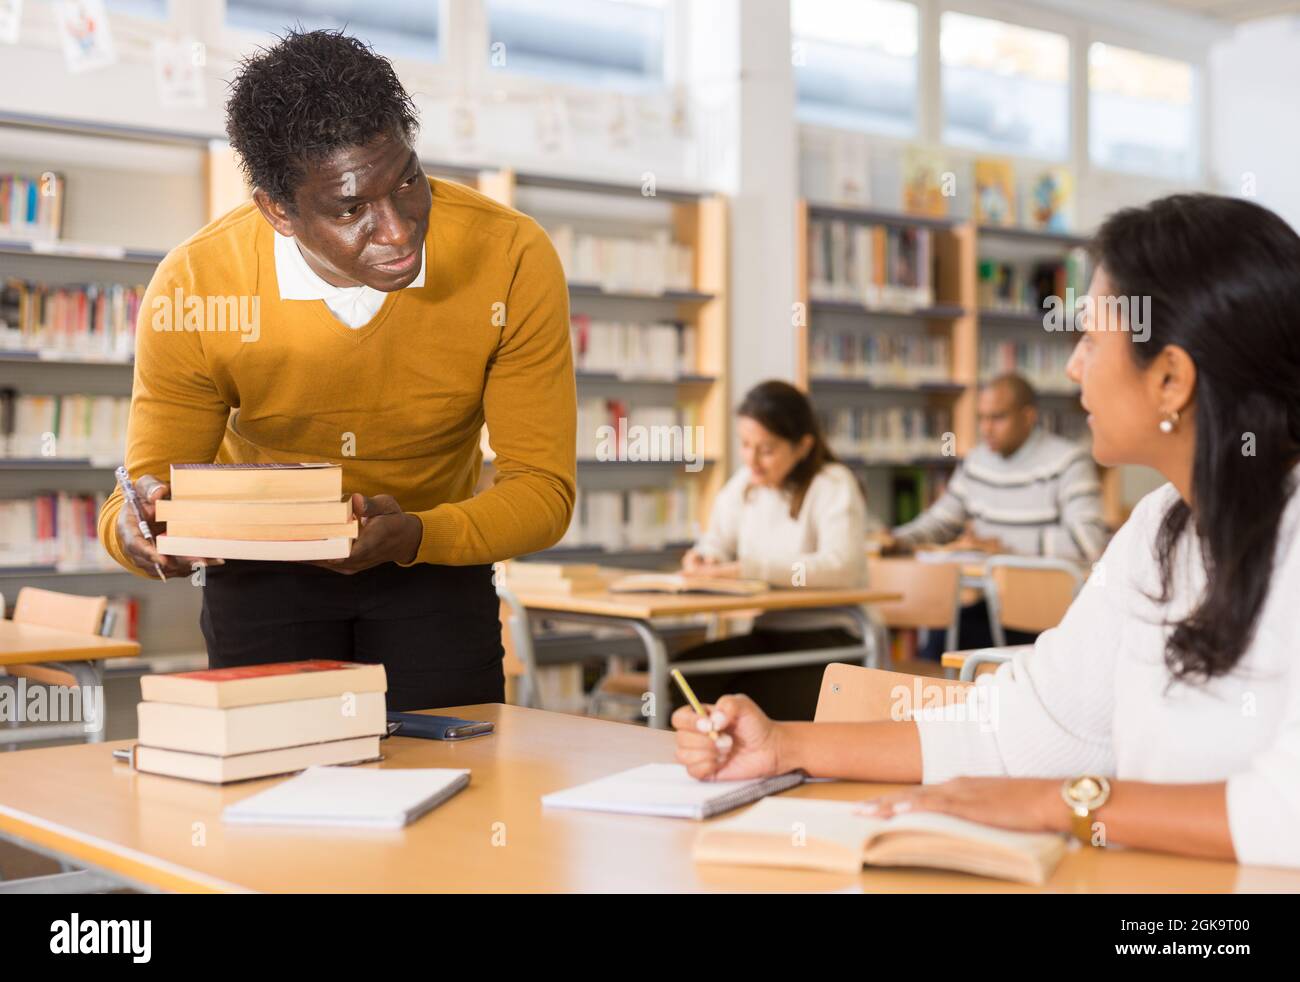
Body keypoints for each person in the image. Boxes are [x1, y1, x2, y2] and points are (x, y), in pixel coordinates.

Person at [672, 194, 1300, 870]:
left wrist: (1055, 804)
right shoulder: (1159, 530)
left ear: (1171, 378)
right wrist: (786, 746)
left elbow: (1284, 814)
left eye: (1090, 339)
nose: (1072, 366)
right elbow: (1023, 727)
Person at [97, 31, 576, 711]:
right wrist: (139, 532)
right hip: (262, 582)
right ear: (278, 210)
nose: (399, 229)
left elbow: (544, 494)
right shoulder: (198, 283)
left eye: (407, 180)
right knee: (272, 798)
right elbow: (136, 501)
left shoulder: (512, 256)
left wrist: (414, 534)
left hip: (433, 566)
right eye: (351, 208)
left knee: (457, 789)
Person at [672, 380, 868, 720]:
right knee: (683, 675)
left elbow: (842, 567)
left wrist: (748, 569)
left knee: (737, 696)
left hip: (830, 639)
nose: (753, 460)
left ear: (803, 446)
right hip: (770, 633)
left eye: (767, 449)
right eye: (746, 445)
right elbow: (718, 538)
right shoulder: (747, 483)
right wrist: (707, 556)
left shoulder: (833, 484)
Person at [882, 373, 1108, 654]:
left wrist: (1003, 546)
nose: (986, 429)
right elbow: (942, 520)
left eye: (998, 418)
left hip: (1050, 612)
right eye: (982, 418)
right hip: (993, 604)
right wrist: (897, 539)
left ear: (1028, 417)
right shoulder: (976, 462)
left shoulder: (1069, 461)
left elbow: (1089, 542)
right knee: (938, 647)